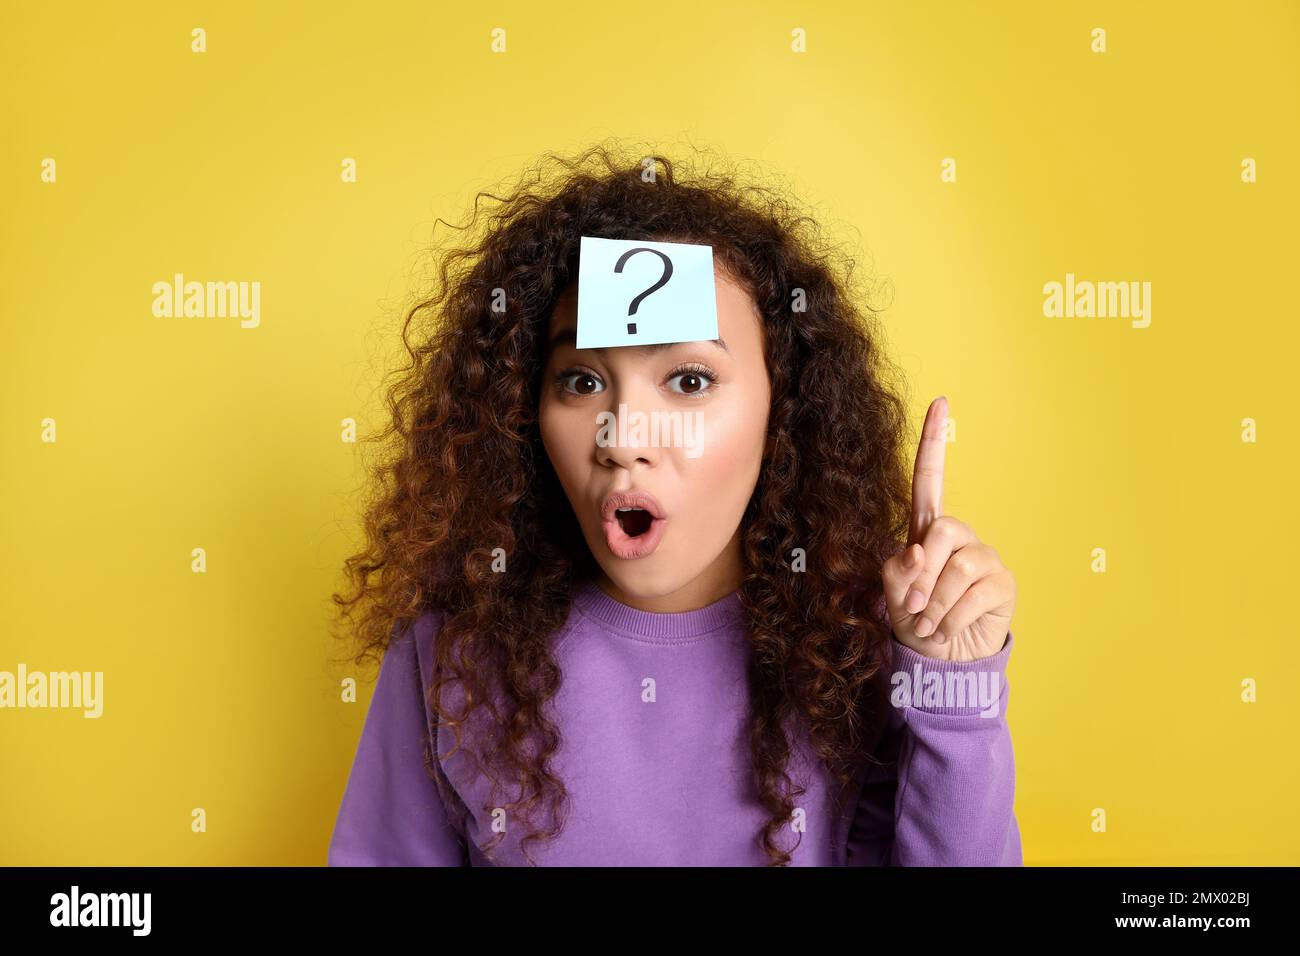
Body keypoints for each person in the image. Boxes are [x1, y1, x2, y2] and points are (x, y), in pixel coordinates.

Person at [327, 143, 1022, 866]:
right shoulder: (452, 655)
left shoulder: (864, 644)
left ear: (783, 410)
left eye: (689, 382)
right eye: (581, 381)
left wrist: (952, 686)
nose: (625, 437)